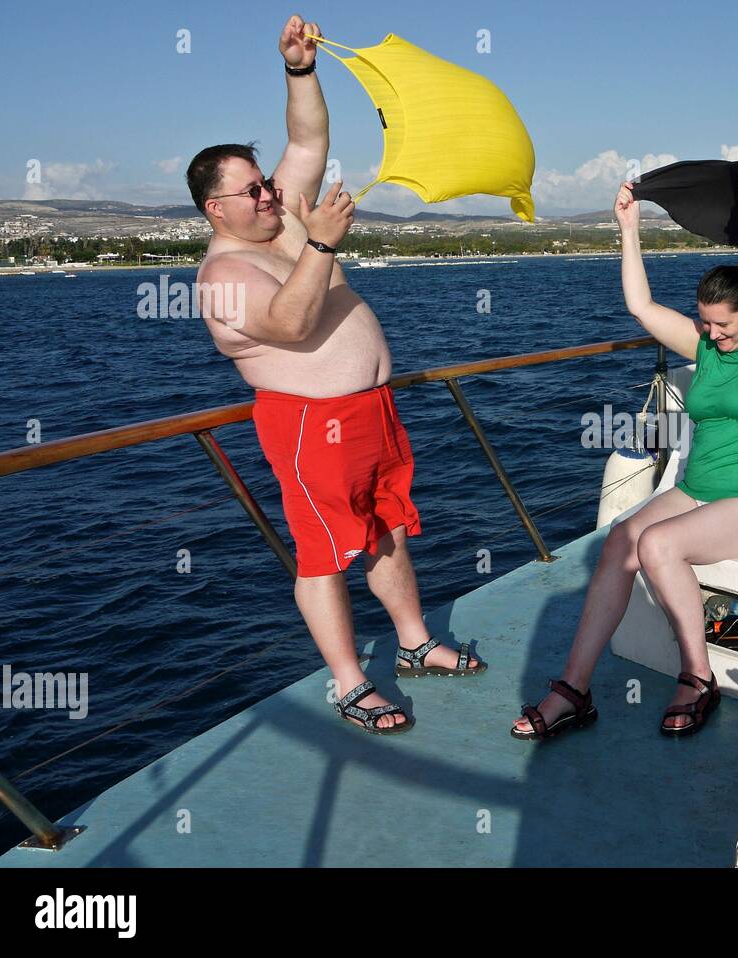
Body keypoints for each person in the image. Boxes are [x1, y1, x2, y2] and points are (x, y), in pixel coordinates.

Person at [188, 16, 482, 736]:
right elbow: (289, 324)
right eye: (251, 192)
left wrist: (299, 71)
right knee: (324, 555)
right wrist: (319, 239)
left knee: (387, 531)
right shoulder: (224, 273)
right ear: (214, 208)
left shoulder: (279, 218)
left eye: (264, 184)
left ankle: (413, 643)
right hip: (309, 426)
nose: (268, 196)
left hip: (371, 411)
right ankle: (350, 684)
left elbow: (308, 140)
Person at [511, 159, 738, 740]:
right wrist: (629, 228)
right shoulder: (708, 351)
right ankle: (574, 688)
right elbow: (642, 309)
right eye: (704, 324)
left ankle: (698, 677)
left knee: (658, 544)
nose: (712, 334)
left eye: (724, 325)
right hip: (701, 488)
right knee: (618, 541)